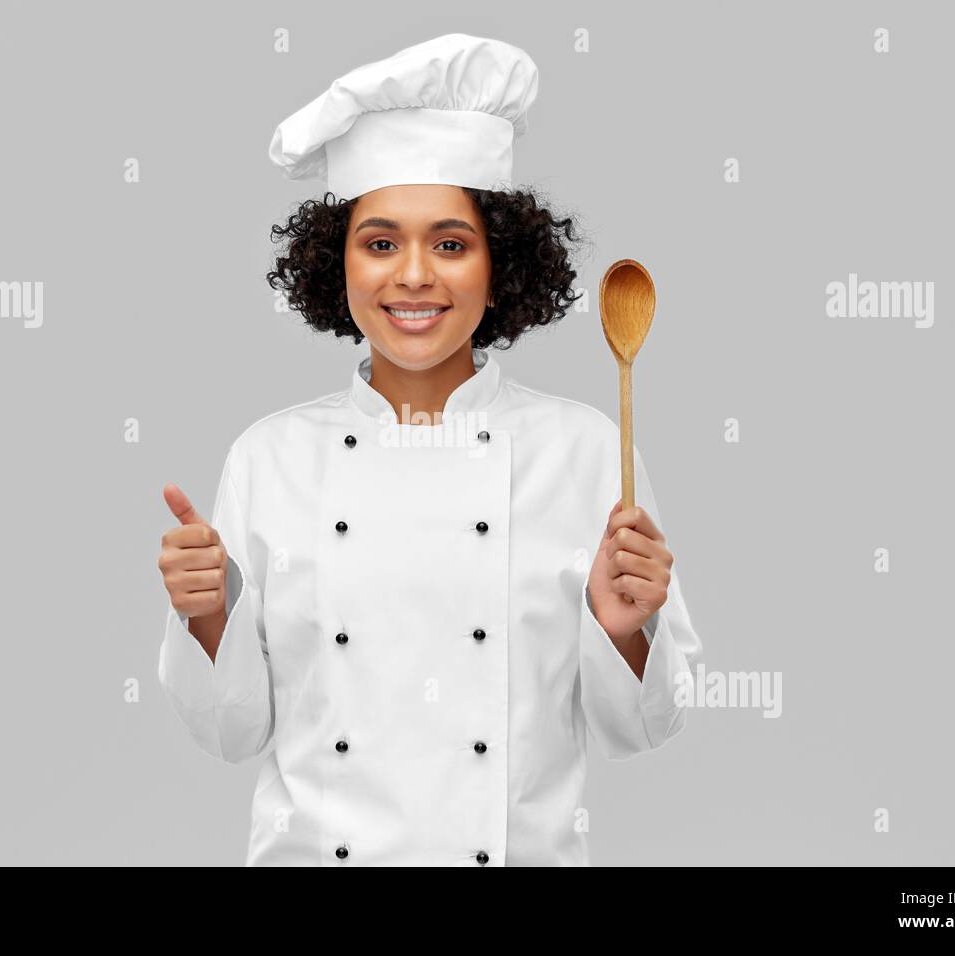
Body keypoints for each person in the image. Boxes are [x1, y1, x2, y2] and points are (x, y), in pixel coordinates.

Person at [156, 33, 703, 866]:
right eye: (380, 243)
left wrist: (626, 631)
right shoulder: (268, 459)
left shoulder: (588, 451)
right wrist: (207, 616)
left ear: (500, 264)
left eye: (450, 244)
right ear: (336, 264)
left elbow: (642, 727)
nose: (413, 275)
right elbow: (229, 734)